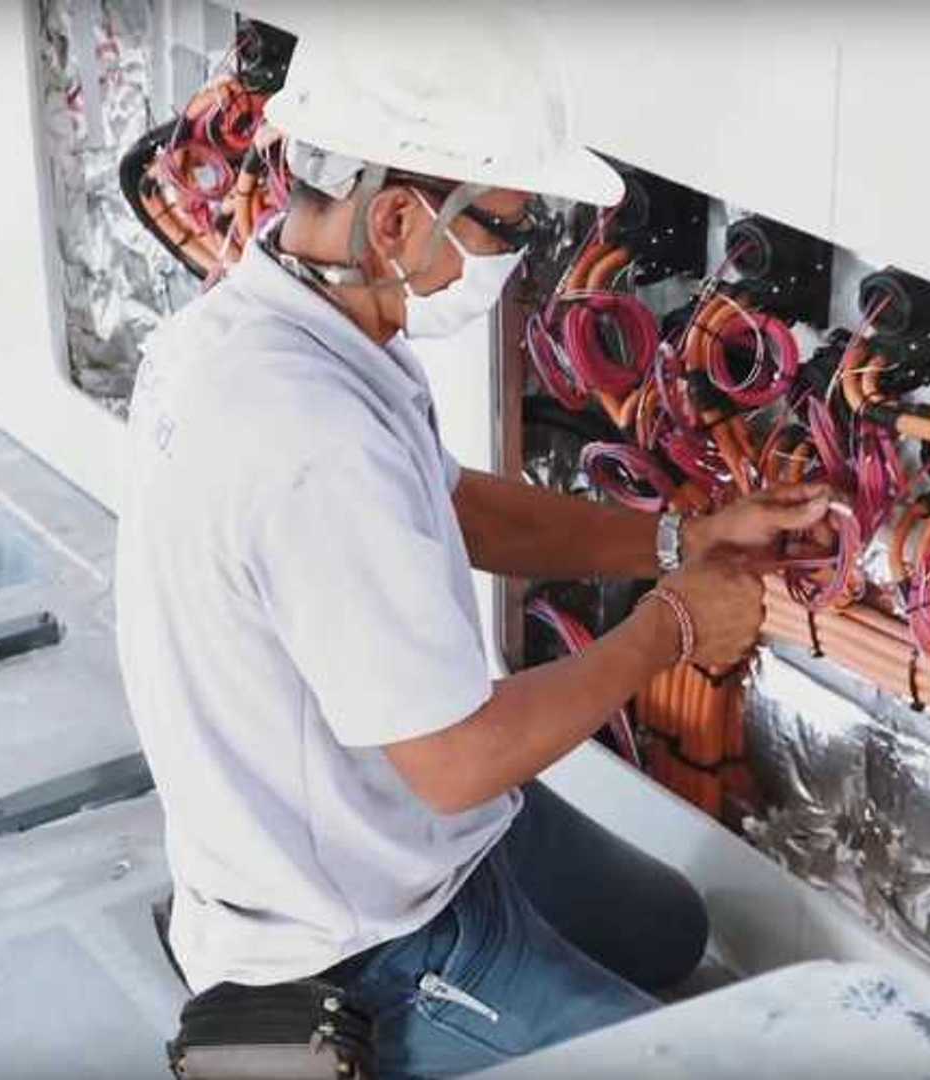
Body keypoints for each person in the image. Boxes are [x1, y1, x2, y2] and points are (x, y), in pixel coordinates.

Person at [114, 6, 830, 1075]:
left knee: (672, 933)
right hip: (360, 934)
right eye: (504, 229)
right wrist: (670, 630)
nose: (515, 259)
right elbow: (460, 760)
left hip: (414, 832)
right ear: (397, 220)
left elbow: (451, 504)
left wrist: (680, 539)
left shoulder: (278, 321)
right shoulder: (309, 437)